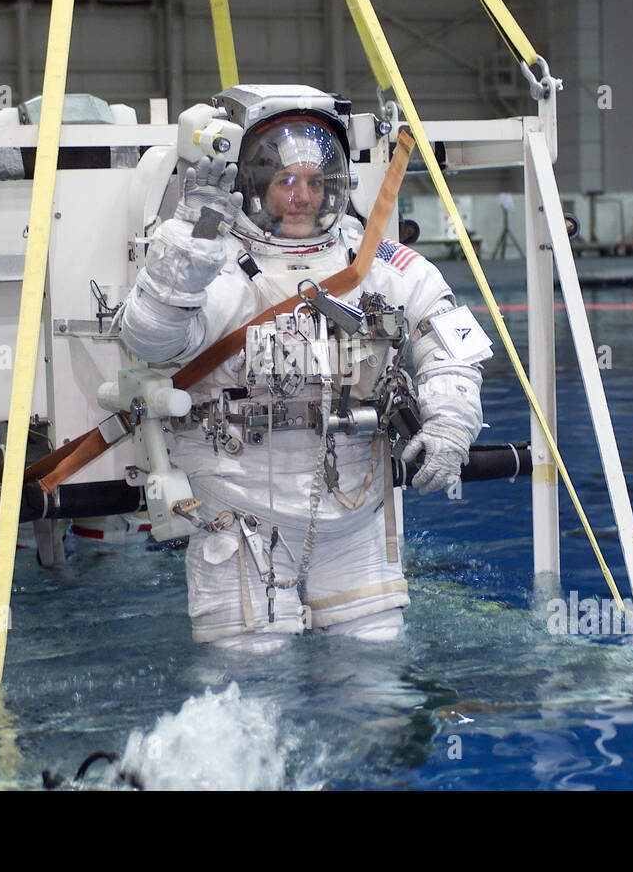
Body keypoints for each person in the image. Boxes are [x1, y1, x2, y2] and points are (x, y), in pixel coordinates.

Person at [118, 85, 490, 652]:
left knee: (375, 677)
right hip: (241, 520)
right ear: (254, 186)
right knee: (254, 685)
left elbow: (449, 342)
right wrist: (192, 242)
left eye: (315, 183)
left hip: (354, 518)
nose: (302, 198)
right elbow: (151, 339)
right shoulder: (216, 268)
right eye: (286, 182)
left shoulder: (372, 260)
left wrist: (449, 424)